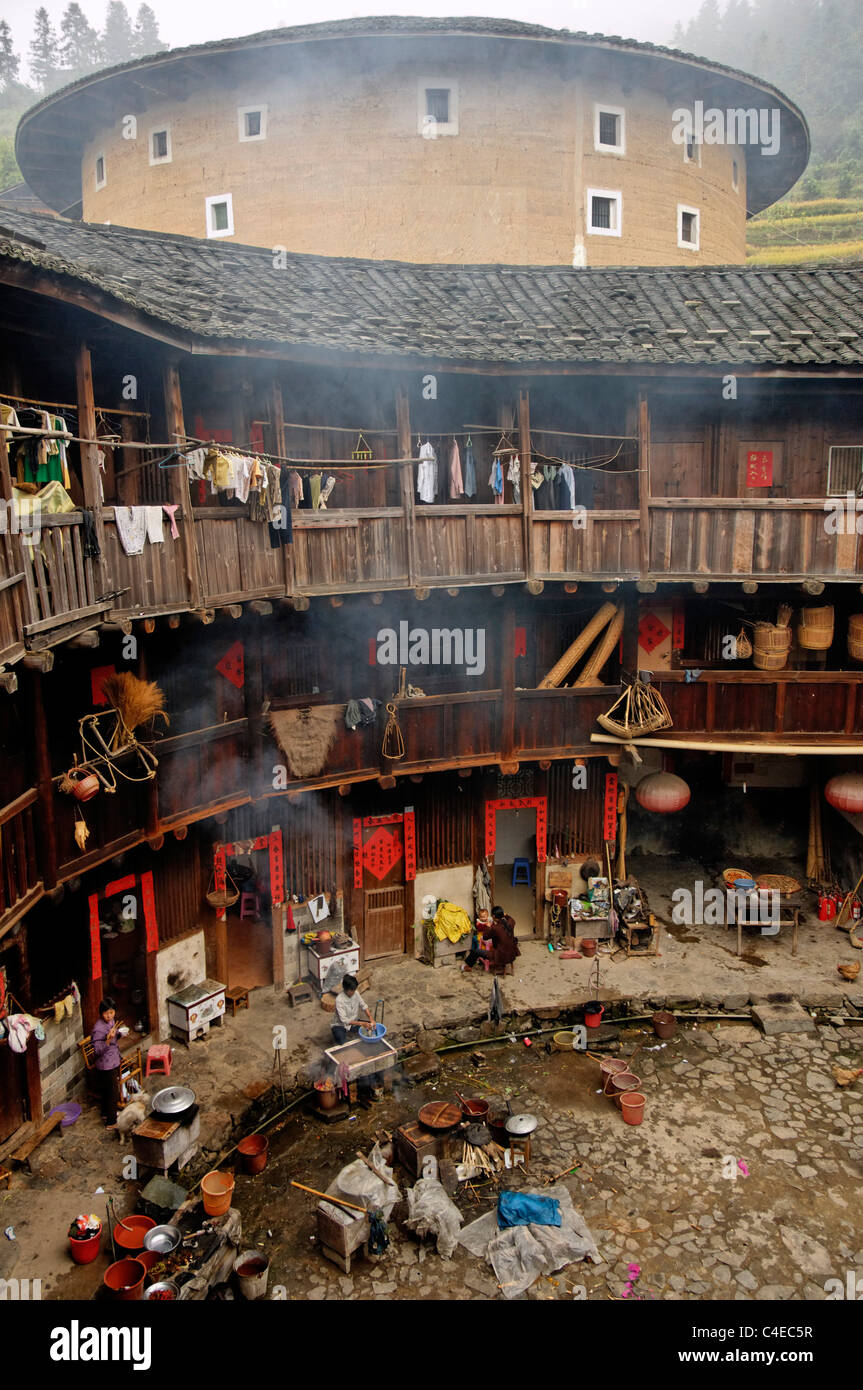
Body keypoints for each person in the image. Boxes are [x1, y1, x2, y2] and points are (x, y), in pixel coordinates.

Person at [91, 997, 122, 1130]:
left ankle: (105, 1114)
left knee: (106, 1090)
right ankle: (111, 1122)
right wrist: (108, 1041)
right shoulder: (98, 1029)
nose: (109, 1016)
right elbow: (97, 1051)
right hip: (106, 1064)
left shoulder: (111, 1021)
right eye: (106, 1013)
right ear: (101, 1013)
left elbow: (114, 1035)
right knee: (112, 1091)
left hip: (113, 1058)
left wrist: (119, 1034)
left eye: (111, 1012)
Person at [331, 975, 373, 1046]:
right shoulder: (339, 1000)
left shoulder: (356, 993)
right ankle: (338, 1036)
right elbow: (344, 1020)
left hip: (354, 1022)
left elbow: (363, 1005)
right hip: (340, 1025)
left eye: (354, 989)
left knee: (370, 1026)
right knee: (342, 1042)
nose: (353, 992)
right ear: (345, 989)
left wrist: (370, 1017)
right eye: (351, 990)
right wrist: (361, 1023)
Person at [484, 905, 520, 974]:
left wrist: (488, 927)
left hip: (501, 955)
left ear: (494, 916)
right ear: (502, 914)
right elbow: (512, 919)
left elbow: (485, 937)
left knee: (477, 952)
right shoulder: (510, 923)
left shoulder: (495, 928)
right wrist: (505, 915)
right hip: (512, 953)